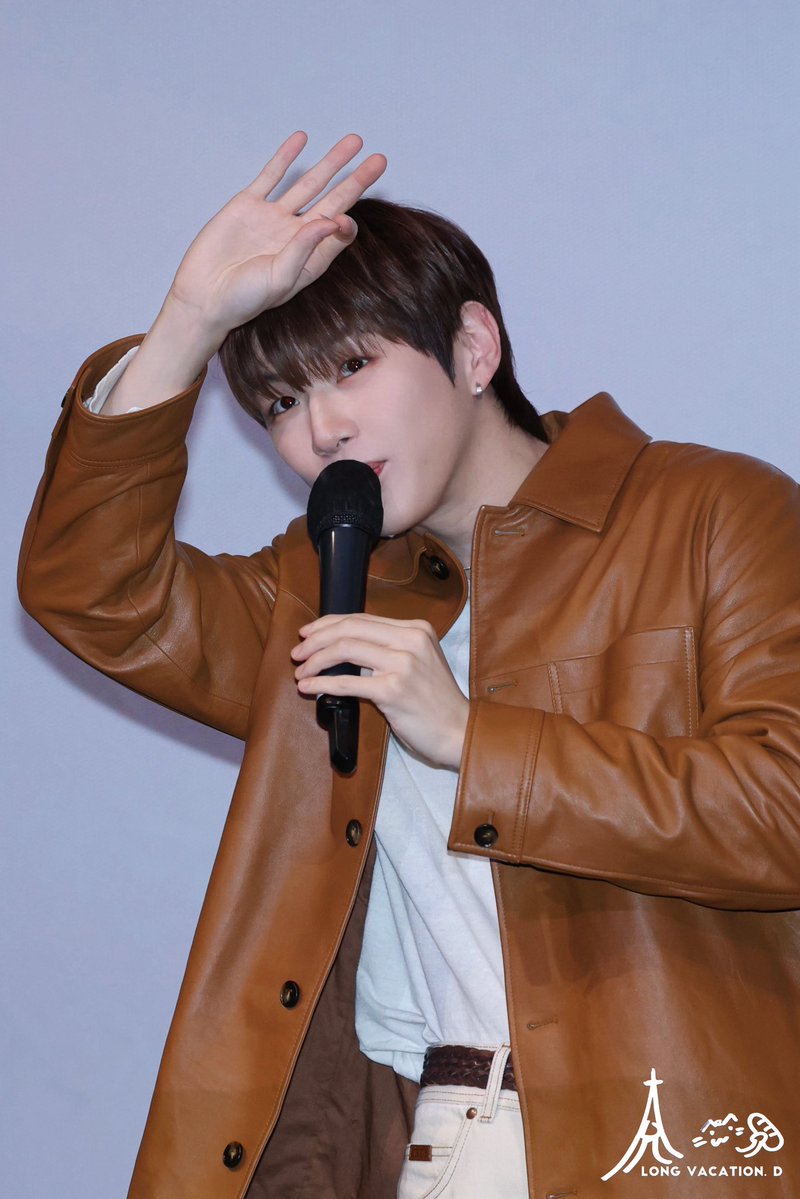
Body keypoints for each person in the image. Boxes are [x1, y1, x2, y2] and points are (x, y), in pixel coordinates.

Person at [18, 131, 800, 1199]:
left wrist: (474, 739)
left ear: (473, 349)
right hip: (439, 1139)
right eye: (279, 402)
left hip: (675, 1146)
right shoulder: (325, 587)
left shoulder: (711, 513)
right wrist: (188, 322)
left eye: (351, 367)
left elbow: (783, 807)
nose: (320, 429)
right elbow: (93, 589)